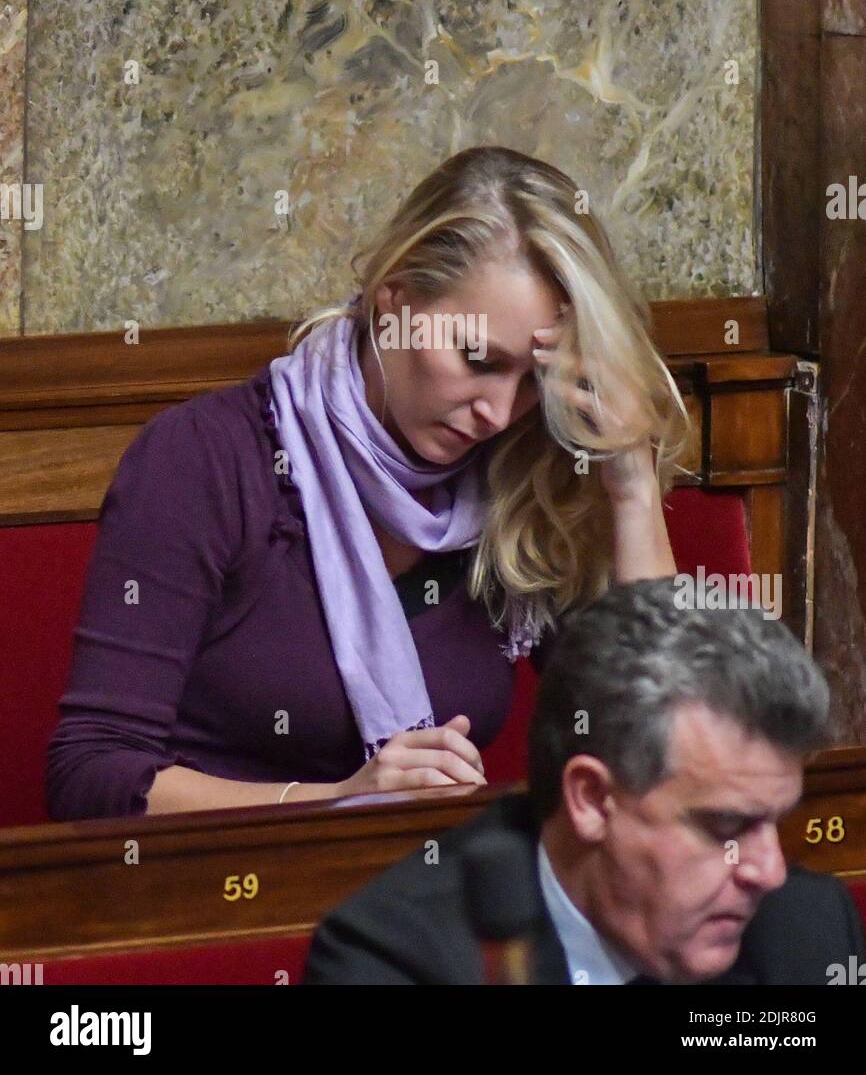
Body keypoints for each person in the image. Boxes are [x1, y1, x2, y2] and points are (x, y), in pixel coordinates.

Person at [47, 146, 689, 820]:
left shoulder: (518, 477)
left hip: (417, 903)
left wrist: (632, 490)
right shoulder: (206, 459)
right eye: (476, 359)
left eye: (533, 381)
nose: (497, 412)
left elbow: (660, 749)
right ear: (396, 300)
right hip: (217, 902)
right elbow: (90, 777)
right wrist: (336, 803)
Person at [303, 577, 866, 985]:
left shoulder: (805, 931)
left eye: (775, 820)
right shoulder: (394, 964)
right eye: (727, 825)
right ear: (593, 800)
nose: (768, 871)